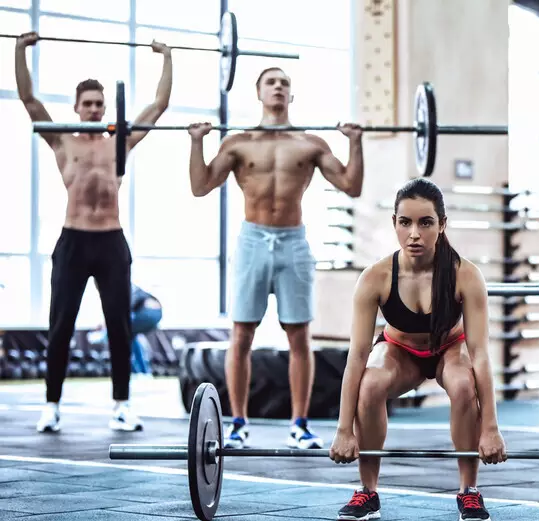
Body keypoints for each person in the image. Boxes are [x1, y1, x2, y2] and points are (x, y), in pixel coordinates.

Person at [187, 66, 364, 450]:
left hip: (293, 243)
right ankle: (237, 425)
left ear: (291, 96)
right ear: (259, 93)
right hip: (252, 241)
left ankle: (300, 425)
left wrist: (355, 143)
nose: (279, 87)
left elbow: (352, 186)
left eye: (285, 83)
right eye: (272, 82)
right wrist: (197, 142)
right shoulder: (238, 144)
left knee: (299, 336)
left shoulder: (310, 144)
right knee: (241, 336)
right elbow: (200, 187)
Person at [15, 31, 173, 433]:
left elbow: (159, 106)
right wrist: (19, 50)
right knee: (61, 324)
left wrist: (166, 57)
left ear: (107, 107)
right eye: (87, 104)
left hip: (111, 241)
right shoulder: (62, 141)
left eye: (99, 104)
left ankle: (121, 405)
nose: (93, 109)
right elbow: (30, 101)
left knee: (119, 323)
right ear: (75, 107)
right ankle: (51, 405)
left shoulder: (118, 142)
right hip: (73, 239)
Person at [329, 178, 506, 521]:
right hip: (399, 351)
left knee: (463, 384)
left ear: (442, 225)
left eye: (425, 222)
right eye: (405, 222)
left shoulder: (465, 275)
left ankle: (469, 492)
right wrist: (343, 430)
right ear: (393, 223)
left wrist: (491, 428)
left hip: (449, 350)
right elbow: (357, 356)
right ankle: (367, 492)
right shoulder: (375, 277)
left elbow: (481, 353)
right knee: (371, 383)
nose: (414, 233)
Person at [129, 284, 163, 375]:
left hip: (147, 313)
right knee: (131, 336)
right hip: (155, 315)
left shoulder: (132, 290)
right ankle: (143, 370)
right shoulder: (139, 291)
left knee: (123, 335)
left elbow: (132, 303)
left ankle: (138, 370)